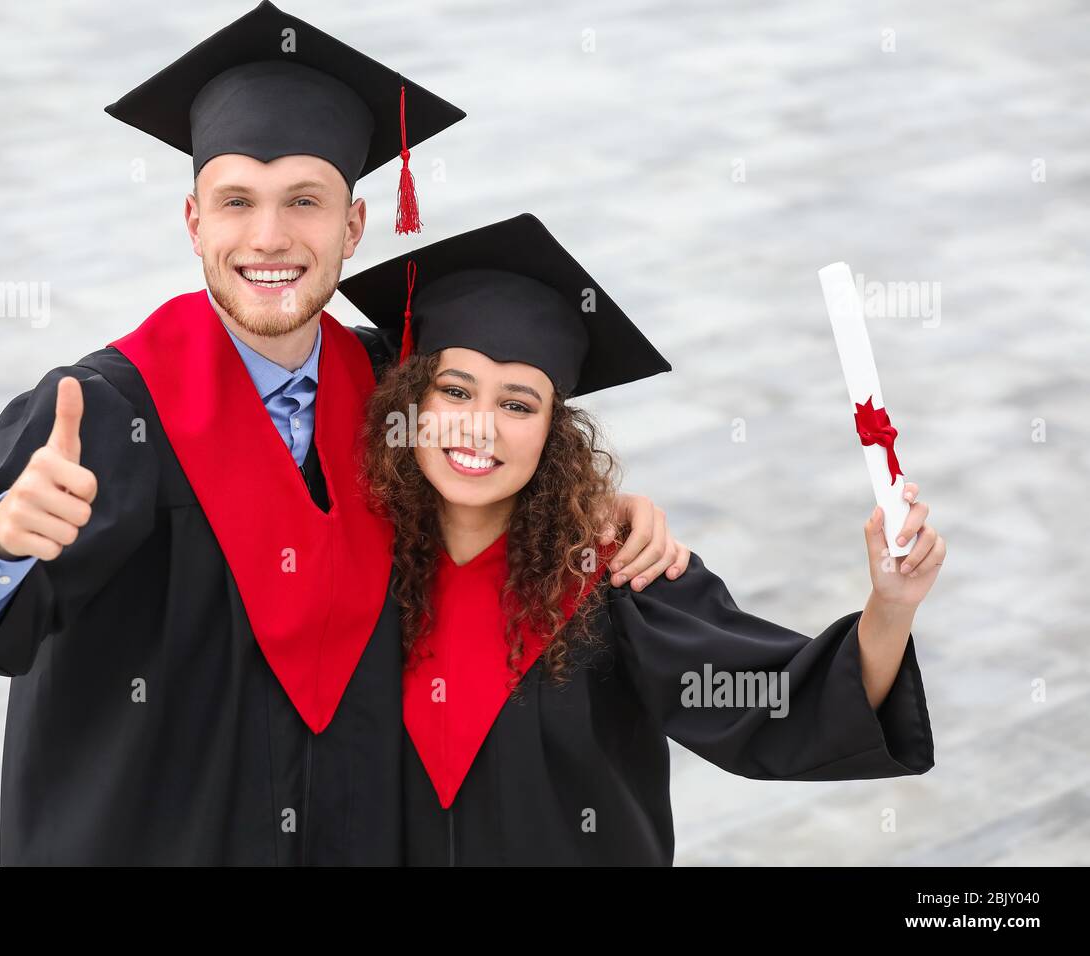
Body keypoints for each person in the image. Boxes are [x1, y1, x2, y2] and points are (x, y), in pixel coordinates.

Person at [0, 5, 686, 865]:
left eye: (304, 200)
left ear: (353, 226)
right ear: (194, 223)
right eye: (236, 202)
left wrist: (604, 507)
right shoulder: (107, 409)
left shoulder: (389, 393)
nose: (269, 238)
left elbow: (497, 456)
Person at [342, 213, 942, 865]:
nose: (480, 426)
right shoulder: (352, 557)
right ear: (411, 403)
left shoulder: (619, 580)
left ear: (552, 434)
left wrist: (893, 604)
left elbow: (780, 701)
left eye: (518, 405)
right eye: (455, 391)